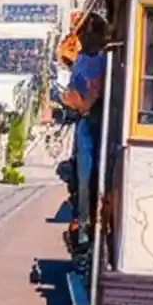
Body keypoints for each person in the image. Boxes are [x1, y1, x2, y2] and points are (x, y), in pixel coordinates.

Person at [60, 13, 108, 258]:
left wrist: (79, 104)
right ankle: (81, 226)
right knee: (81, 177)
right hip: (83, 125)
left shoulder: (103, 60)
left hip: (95, 124)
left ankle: (87, 228)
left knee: (90, 177)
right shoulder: (81, 60)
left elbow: (91, 97)